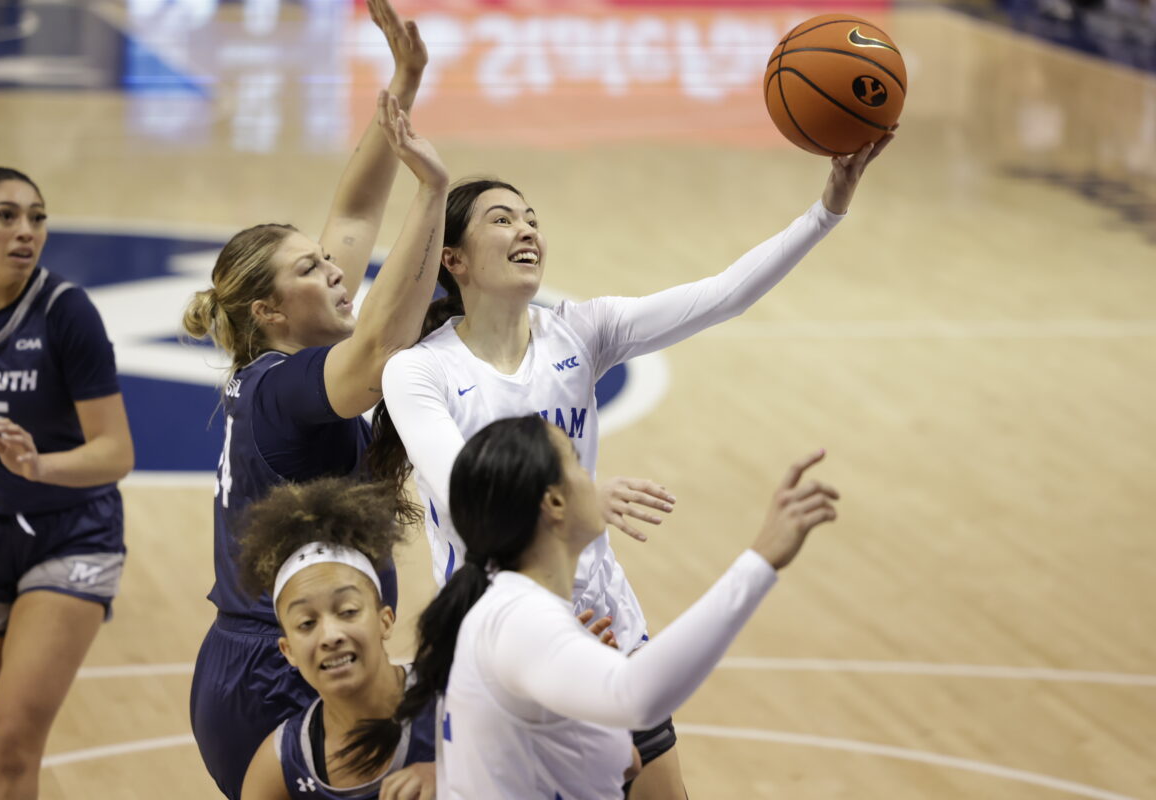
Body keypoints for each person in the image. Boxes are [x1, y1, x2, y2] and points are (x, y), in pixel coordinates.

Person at [370, 137, 893, 796]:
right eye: (502, 219)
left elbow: (723, 296)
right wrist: (574, 498)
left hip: (602, 620)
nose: (526, 229)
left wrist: (826, 212)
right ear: (454, 260)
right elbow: (462, 494)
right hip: (503, 632)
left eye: (531, 218)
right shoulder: (419, 371)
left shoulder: (578, 331)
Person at [180, 1, 449, 795]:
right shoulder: (285, 390)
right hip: (277, 668)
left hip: (283, 650)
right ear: (269, 311)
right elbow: (382, 347)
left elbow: (355, 213)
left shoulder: (282, 362)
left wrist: (402, 83)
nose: (334, 270)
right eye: (310, 269)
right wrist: (433, 193)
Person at [367, 415, 839, 798]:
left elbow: (624, 762)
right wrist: (760, 561)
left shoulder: (515, 611)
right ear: (554, 502)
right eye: (575, 462)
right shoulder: (519, 619)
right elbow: (637, 695)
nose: (591, 477)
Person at [0, 167, 135, 800]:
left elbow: (116, 452)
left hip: (69, 536)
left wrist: (39, 466)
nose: (26, 231)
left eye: (37, 217)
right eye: (6, 216)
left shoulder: (66, 312)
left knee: (10, 742)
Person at [235, 476, 436, 800]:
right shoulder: (278, 767)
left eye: (347, 611)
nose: (330, 636)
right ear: (288, 651)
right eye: (306, 623)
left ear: (385, 620)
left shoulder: (452, 701)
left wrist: (456, 778)